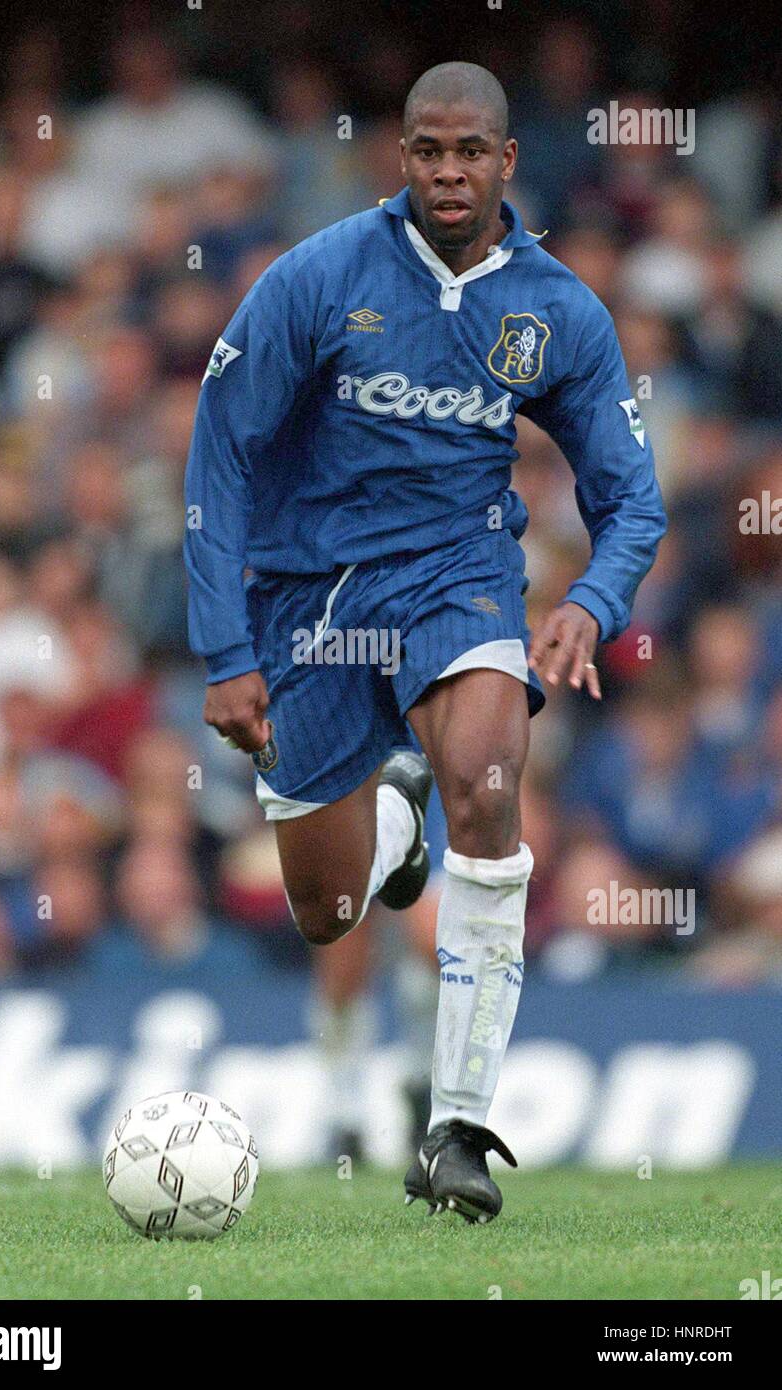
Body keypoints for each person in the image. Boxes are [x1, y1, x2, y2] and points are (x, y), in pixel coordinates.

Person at [184, 62, 666, 1222]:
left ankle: (454, 1126)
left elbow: (631, 498)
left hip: (458, 580)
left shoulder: (555, 310)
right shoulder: (318, 277)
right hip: (308, 601)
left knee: (492, 788)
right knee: (326, 915)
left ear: (506, 162)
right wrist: (223, 649)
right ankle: (391, 819)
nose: (447, 173)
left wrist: (589, 603)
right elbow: (220, 452)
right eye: (425, 152)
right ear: (400, 158)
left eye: (468, 153)